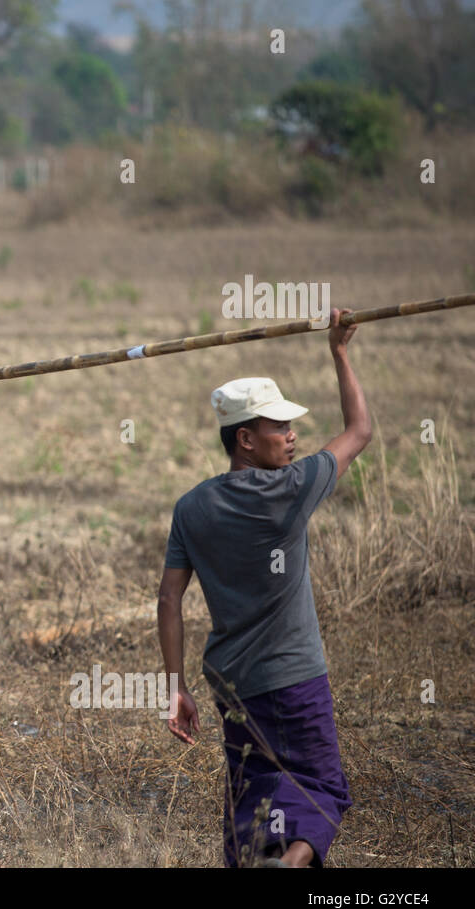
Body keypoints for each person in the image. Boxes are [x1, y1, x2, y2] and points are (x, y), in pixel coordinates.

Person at [156, 309, 371, 867]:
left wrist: (175, 686)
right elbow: (359, 433)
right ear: (246, 439)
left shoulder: (192, 507)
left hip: (234, 687)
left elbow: (169, 598)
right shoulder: (291, 490)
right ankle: (292, 863)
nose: (292, 435)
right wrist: (340, 353)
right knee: (323, 788)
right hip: (295, 678)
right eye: (280, 428)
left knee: (255, 801)